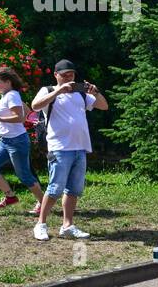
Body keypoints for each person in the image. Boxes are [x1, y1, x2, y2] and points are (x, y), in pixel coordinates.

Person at [31, 59, 108, 240]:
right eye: (64, 75)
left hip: (80, 148)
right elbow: (35, 106)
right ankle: (40, 224)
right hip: (59, 148)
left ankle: (67, 225)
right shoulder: (48, 90)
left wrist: (95, 92)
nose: (68, 78)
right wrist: (58, 91)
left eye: (71, 75)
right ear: (55, 75)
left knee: (73, 189)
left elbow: (104, 106)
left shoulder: (80, 94)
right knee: (54, 188)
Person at [0, 67, 44, 212]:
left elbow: (19, 118)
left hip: (17, 142)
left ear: (8, 81)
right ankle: (10, 197)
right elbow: (27, 112)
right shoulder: (8, 95)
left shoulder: (11, 95)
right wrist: (33, 116)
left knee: (24, 175)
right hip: (5, 141)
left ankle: (44, 203)